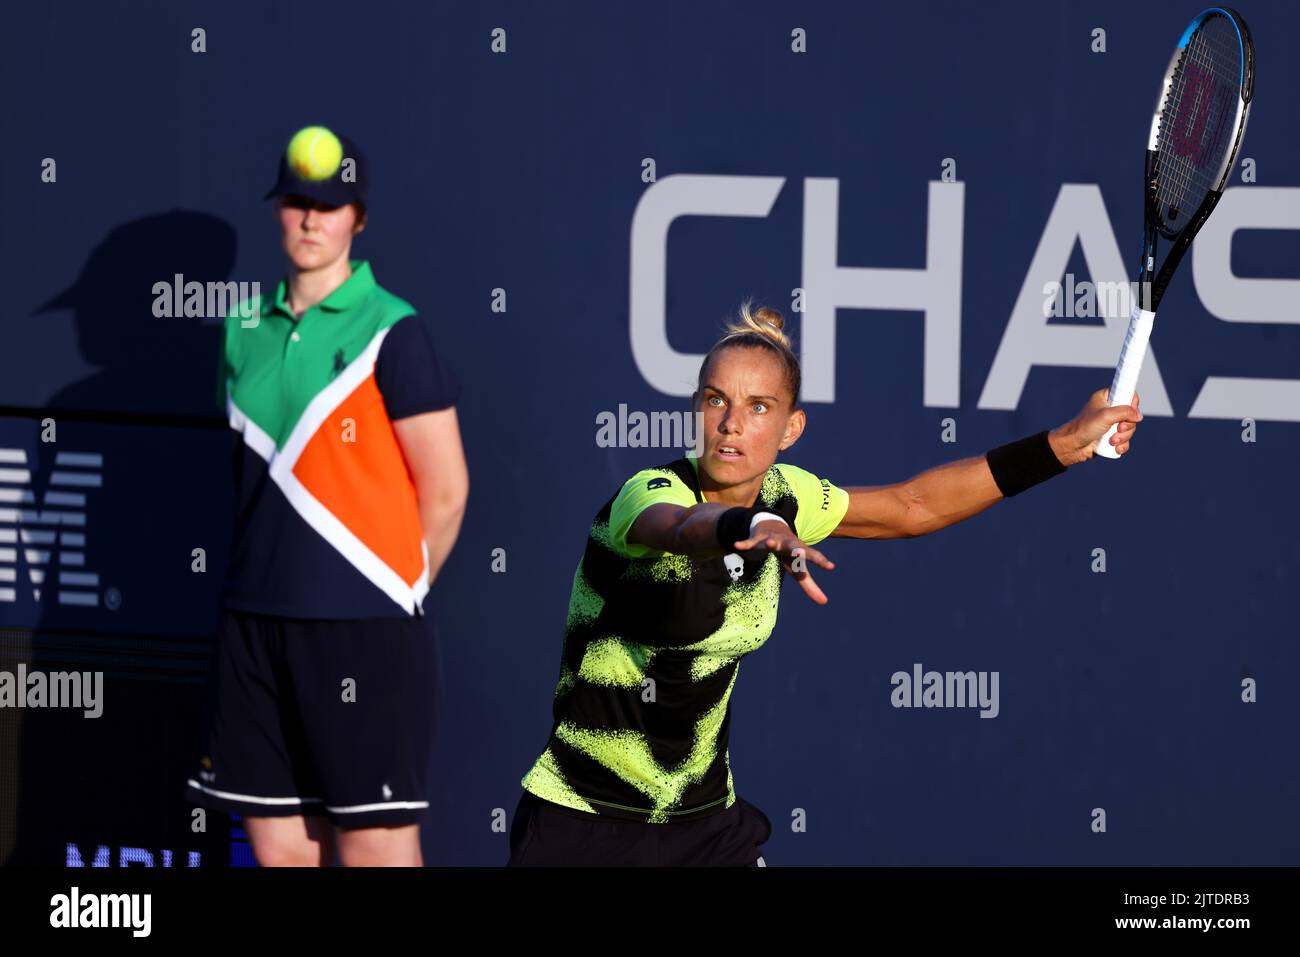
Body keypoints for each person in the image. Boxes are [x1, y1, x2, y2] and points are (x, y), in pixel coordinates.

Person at [509, 301, 1141, 866]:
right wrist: (747, 522)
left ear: (791, 429)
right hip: (582, 823)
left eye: (759, 408)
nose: (732, 423)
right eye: (715, 400)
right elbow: (678, 526)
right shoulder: (645, 496)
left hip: (704, 827)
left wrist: (1059, 446)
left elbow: (912, 506)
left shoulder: (793, 497)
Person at [185, 127, 468, 866]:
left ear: (359, 219)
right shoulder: (242, 327)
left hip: (365, 631)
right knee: (278, 851)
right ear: (277, 209)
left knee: (374, 848)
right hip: (253, 626)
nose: (313, 219)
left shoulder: (394, 330)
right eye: (299, 201)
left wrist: (389, 586)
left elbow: (446, 489)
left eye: (332, 204)